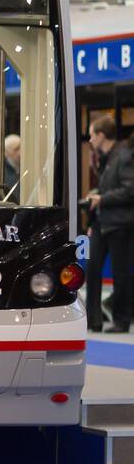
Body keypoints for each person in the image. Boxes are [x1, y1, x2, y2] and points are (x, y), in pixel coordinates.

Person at [86, 114, 134, 333]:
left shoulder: (124, 156)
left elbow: (130, 190)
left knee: (120, 273)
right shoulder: (106, 158)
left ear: (102, 136)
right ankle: (93, 319)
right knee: (93, 269)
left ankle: (122, 321)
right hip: (102, 223)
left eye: (92, 135)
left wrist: (102, 199)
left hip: (119, 224)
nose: (89, 140)